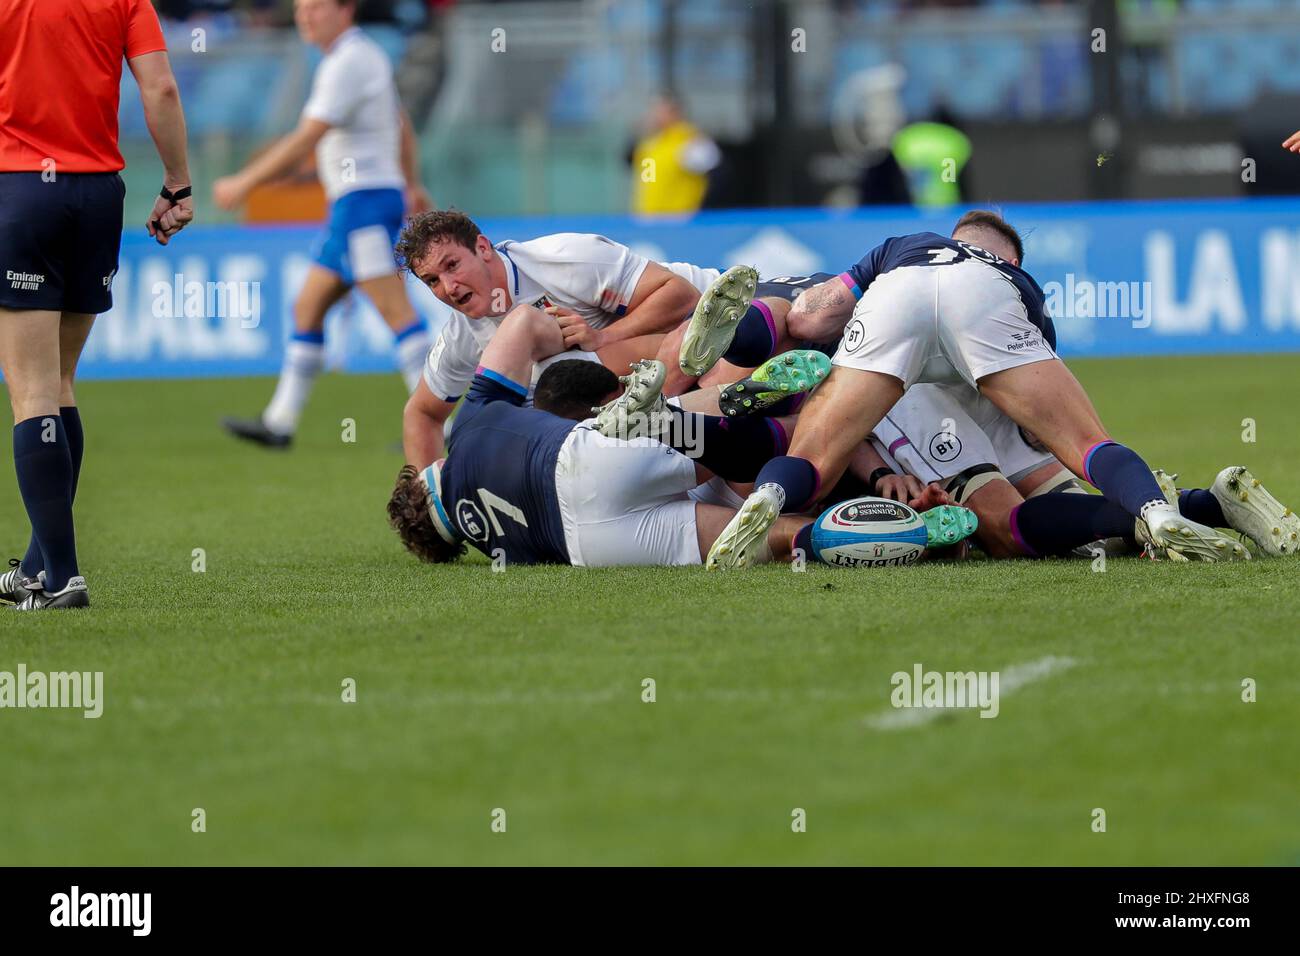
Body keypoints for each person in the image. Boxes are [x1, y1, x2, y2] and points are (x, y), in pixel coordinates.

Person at [681, 210, 1256, 568]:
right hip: (972, 339)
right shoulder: (1014, 278)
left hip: (895, 313)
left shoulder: (903, 244)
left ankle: (767, 496)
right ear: (1005, 256)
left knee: (809, 445)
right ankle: (1159, 511)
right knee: (1079, 452)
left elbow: (809, 320)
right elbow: (1038, 422)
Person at [0, 0, 194, 610]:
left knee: (30, 388)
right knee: (59, 382)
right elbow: (159, 86)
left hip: (22, 188)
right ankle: (38, 566)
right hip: (97, 195)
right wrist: (177, 182)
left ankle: (62, 577)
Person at [215, 0, 434, 449]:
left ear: (345, 10)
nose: (304, 17)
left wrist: (245, 183)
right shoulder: (361, 56)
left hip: (364, 205)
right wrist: (411, 183)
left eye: (315, 7)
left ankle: (441, 422)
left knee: (397, 313)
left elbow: (306, 139)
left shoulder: (347, 62)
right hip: (361, 204)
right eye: (299, 9)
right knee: (308, 307)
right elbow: (400, 123)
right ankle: (280, 423)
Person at [394, 210, 723, 466]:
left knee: (566, 373)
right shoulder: (460, 334)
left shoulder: (562, 258)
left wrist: (602, 336)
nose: (448, 287)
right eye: (432, 281)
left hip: (729, 311)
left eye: (452, 265)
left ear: (482, 248)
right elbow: (421, 413)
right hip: (674, 373)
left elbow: (681, 294)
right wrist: (429, 499)